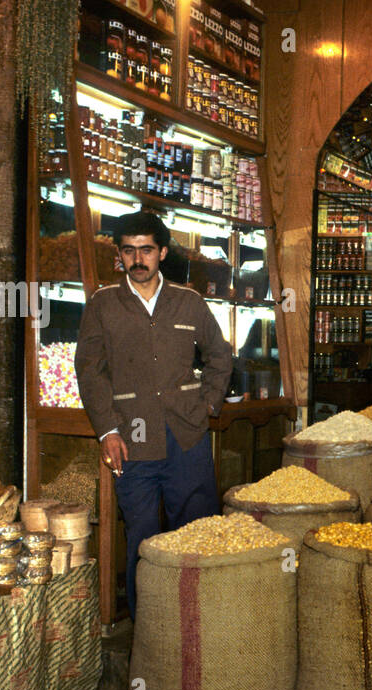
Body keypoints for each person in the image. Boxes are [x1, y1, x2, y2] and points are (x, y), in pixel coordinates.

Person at [75, 211, 233, 619]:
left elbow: (219, 356)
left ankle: (200, 622)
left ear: (162, 252)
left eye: (146, 249)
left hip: (187, 437)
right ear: (119, 256)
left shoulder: (189, 302)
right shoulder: (103, 306)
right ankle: (149, 631)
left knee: (196, 535)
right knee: (143, 541)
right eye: (129, 251)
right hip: (132, 440)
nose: (138, 259)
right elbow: (89, 372)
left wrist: (209, 405)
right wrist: (107, 430)